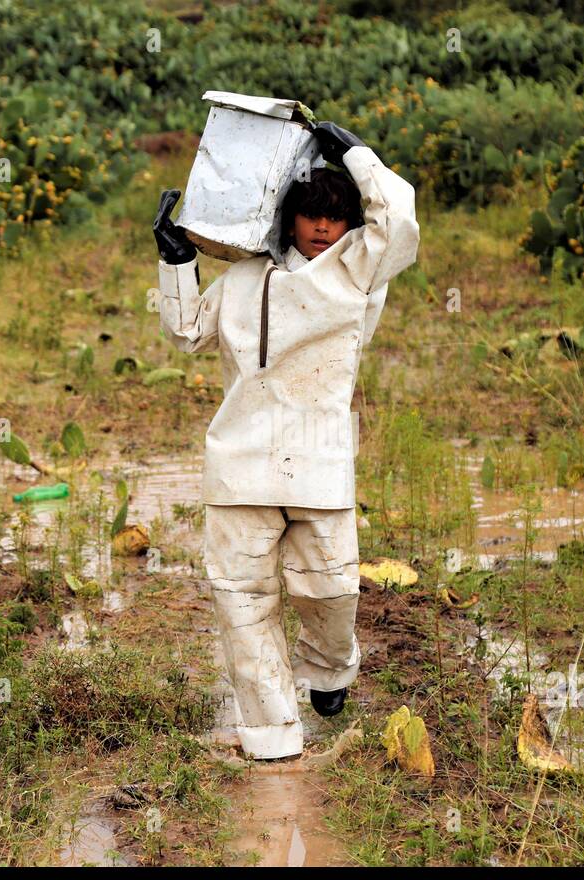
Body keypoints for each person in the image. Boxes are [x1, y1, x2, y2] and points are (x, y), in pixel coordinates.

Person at [152, 122, 420, 760]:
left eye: (336, 216)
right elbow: (187, 330)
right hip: (239, 463)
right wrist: (177, 258)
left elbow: (399, 225)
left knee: (330, 590)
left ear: (351, 223)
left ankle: (330, 669)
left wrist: (352, 152)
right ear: (287, 218)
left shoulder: (358, 273)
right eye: (310, 215)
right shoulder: (244, 278)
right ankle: (273, 740)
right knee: (241, 602)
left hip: (321, 462)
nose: (323, 228)